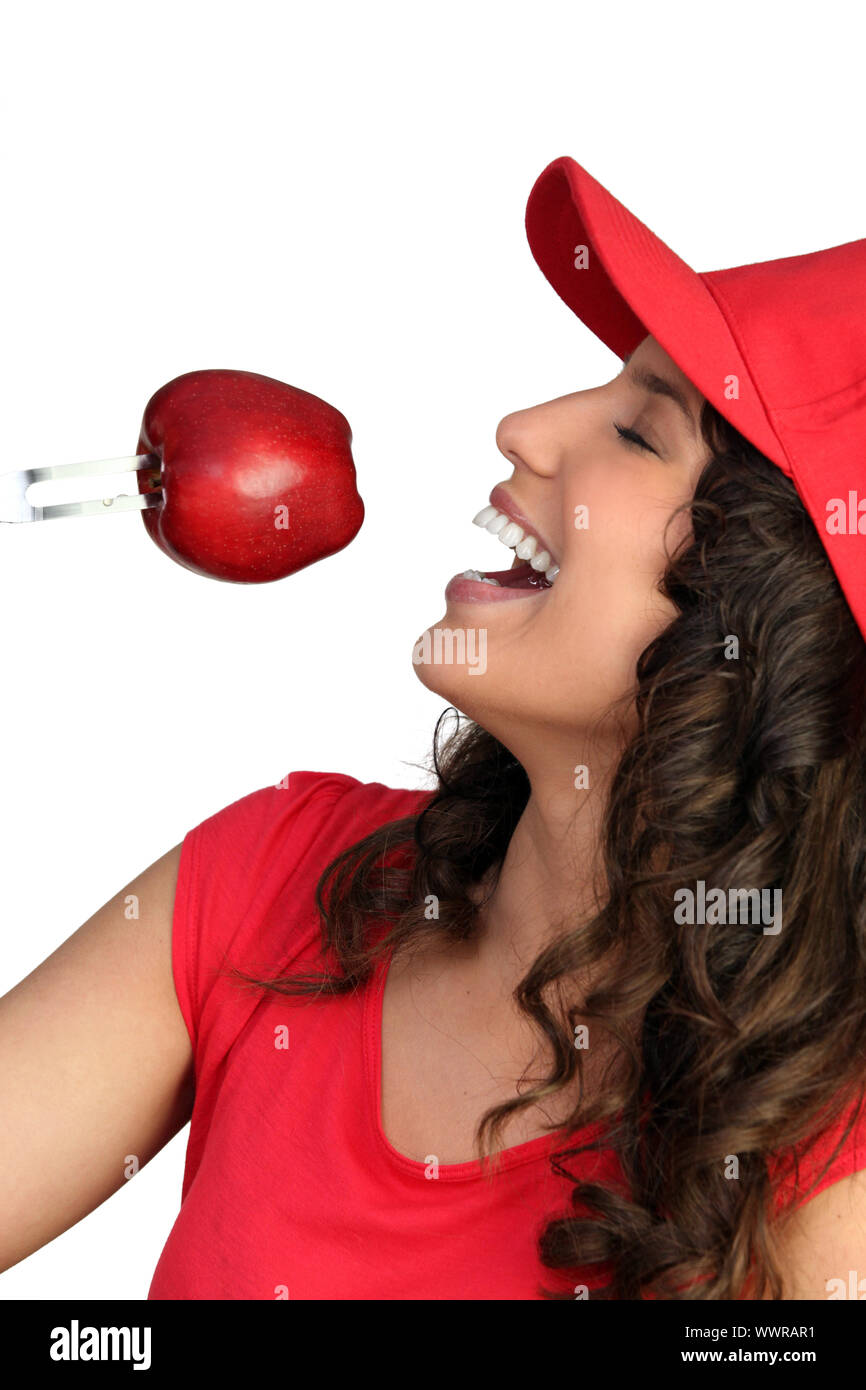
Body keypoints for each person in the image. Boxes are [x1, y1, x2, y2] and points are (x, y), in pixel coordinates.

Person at [2, 157, 866, 1301]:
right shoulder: (277, 879)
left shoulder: (817, 1156)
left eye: (641, 434)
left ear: (775, 630)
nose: (522, 427)